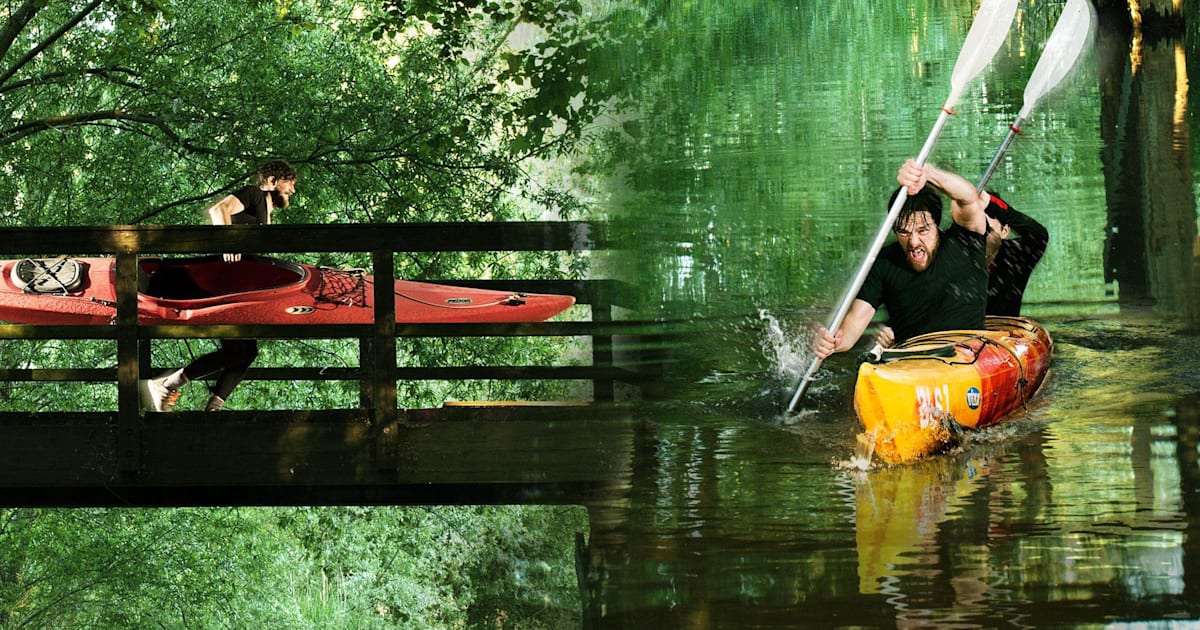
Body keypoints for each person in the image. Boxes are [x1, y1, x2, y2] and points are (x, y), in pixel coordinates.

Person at [142, 160, 298, 412]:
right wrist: (229, 244)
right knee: (242, 348)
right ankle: (167, 384)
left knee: (245, 350)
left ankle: (212, 406)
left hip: (229, 288)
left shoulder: (262, 214)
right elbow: (218, 210)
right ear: (271, 180)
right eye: (289, 183)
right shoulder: (255, 194)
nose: (292, 190)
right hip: (210, 281)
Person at [811, 159, 990, 360]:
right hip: (912, 362)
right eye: (903, 232)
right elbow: (854, 323)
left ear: (936, 224)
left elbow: (968, 198)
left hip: (970, 357)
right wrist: (833, 343)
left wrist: (927, 173)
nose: (913, 242)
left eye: (923, 230)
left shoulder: (966, 240)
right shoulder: (883, 263)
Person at [871, 192, 1048, 347]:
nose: (976, 240)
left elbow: (1038, 236)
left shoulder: (1016, 256)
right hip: (954, 342)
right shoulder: (948, 252)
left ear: (1004, 231)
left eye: (984, 231)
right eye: (972, 234)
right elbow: (915, 301)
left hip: (1002, 339)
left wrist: (994, 204)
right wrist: (894, 332)